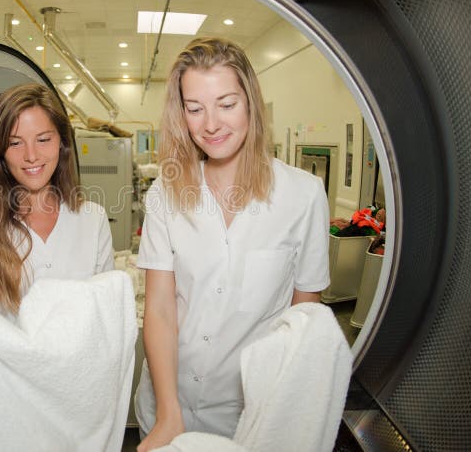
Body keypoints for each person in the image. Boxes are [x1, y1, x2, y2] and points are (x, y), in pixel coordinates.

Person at [135, 37, 330, 450]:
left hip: (250, 415)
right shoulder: (165, 194)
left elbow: (303, 322)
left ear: (251, 104)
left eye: (226, 104)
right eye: (195, 108)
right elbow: (160, 309)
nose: (211, 124)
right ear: (180, 113)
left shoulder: (304, 195)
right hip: (168, 404)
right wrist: (170, 413)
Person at [0, 83, 114, 316]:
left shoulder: (93, 220)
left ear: (62, 142)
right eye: (15, 143)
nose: (31, 156)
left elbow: (106, 318)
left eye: (43, 140)